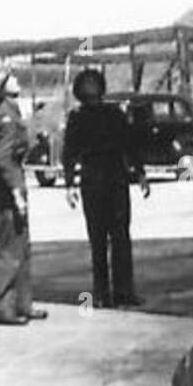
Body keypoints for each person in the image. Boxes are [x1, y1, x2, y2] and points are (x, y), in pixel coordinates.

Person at [63, 68, 148, 307]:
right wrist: (140, 172)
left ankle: (104, 294)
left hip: (98, 177)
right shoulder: (111, 113)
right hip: (110, 176)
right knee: (116, 235)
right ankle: (119, 292)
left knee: (102, 237)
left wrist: (70, 183)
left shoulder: (80, 117)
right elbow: (129, 144)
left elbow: (70, 152)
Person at [0, 68, 46, 326]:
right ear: (1, 87)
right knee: (11, 249)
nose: (16, 80)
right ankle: (3, 308)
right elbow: (4, 159)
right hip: (8, 191)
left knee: (22, 247)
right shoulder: (5, 116)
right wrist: (16, 193)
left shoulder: (11, 111)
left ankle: (23, 303)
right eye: (11, 78)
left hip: (11, 188)